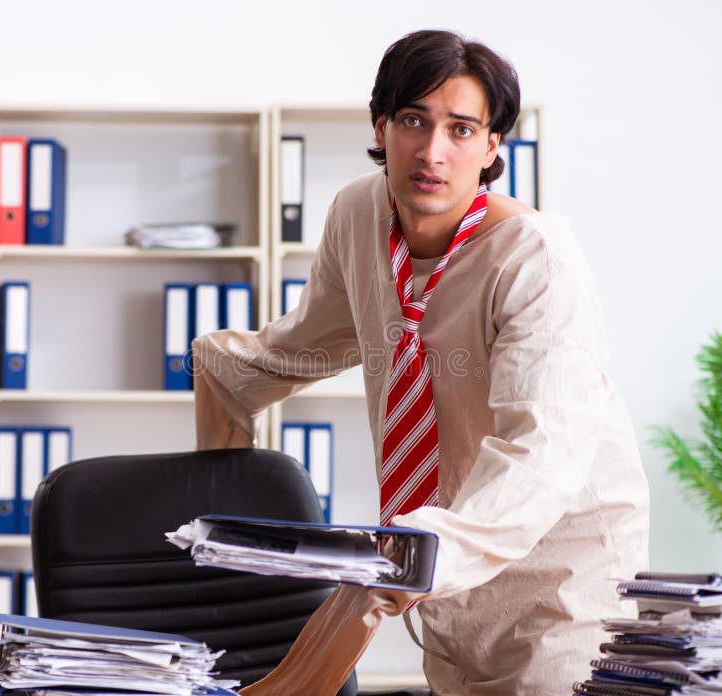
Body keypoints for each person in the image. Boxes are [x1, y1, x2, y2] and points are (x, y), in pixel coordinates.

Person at [191, 29, 650, 696]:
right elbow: (307, 344)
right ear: (382, 126)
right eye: (414, 121)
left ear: (494, 147)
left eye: (462, 129)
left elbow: (541, 459)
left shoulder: (535, 261)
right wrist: (219, 374)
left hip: (557, 583)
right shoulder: (358, 214)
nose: (433, 152)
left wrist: (411, 555)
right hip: (438, 582)